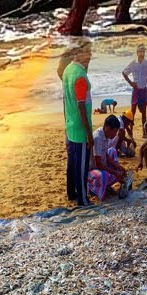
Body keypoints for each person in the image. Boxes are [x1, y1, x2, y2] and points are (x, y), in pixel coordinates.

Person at [59, 41, 94, 207]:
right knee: (81, 166)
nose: (90, 55)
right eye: (87, 52)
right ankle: (82, 199)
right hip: (80, 129)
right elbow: (81, 105)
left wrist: (66, 121)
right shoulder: (79, 76)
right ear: (78, 53)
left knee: (72, 162)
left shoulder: (68, 70)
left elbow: (66, 100)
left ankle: (71, 193)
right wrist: (88, 134)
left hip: (71, 124)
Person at [89, 115, 131, 202]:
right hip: (93, 169)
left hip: (101, 164)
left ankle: (107, 184)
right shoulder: (98, 137)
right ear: (107, 127)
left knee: (112, 150)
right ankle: (93, 188)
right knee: (104, 176)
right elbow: (98, 164)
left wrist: (116, 165)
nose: (115, 134)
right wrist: (115, 173)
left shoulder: (106, 134)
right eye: (114, 131)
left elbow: (105, 154)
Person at [121, 45, 147, 129]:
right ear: (137, 53)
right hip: (136, 89)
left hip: (143, 90)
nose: (142, 53)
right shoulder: (133, 63)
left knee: (144, 111)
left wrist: (144, 82)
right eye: (140, 51)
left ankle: (144, 131)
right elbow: (124, 73)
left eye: (143, 51)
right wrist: (130, 83)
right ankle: (131, 130)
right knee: (133, 111)